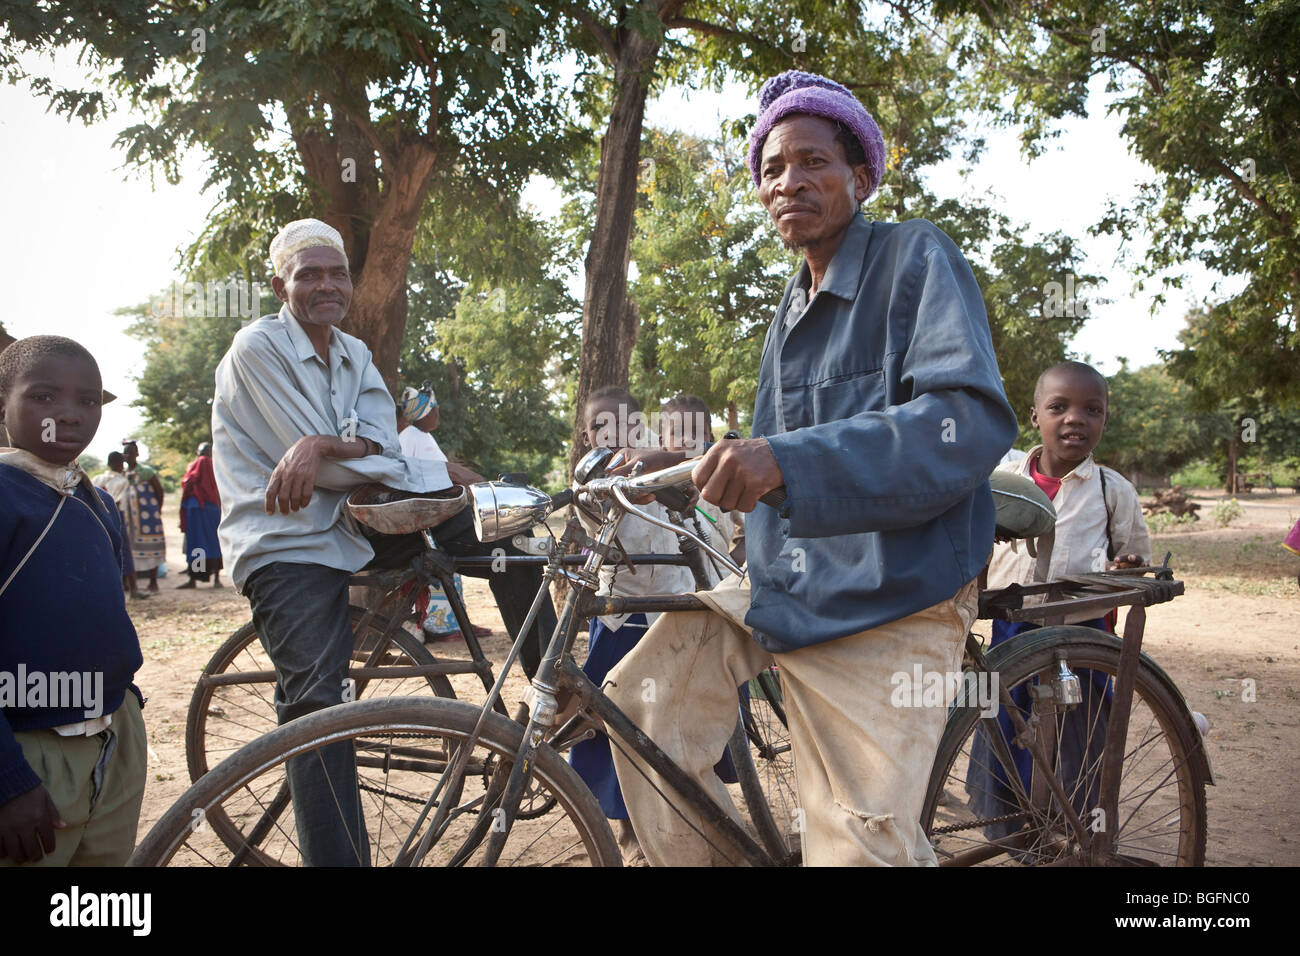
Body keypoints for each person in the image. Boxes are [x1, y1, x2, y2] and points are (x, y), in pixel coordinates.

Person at [600, 71, 1018, 866]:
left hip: (900, 589)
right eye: (772, 168)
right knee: (640, 706)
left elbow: (965, 421)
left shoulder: (915, 257)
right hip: (792, 581)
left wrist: (781, 459)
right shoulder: (787, 310)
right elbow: (773, 458)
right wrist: (696, 462)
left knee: (858, 846)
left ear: (860, 178)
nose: (789, 181)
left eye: (813, 162)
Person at [211, 218, 557, 865]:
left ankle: (551, 693)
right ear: (278, 284)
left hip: (355, 524)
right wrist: (342, 452)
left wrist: (324, 446)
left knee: (508, 527)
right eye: (308, 274)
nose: (326, 285)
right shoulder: (256, 349)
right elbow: (356, 464)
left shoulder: (355, 354)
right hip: (288, 543)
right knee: (317, 710)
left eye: (336, 272)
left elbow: (388, 455)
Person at [971, 361, 1150, 839]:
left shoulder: (1113, 490)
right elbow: (979, 549)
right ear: (1035, 417)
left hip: (1084, 634)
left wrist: (1127, 568)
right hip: (1013, 629)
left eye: (1091, 410)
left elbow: (1135, 557)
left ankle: (1075, 827)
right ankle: (1015, 831)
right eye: (1059, 407)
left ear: (1104, 421)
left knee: (1077, 741)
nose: (1075, 418)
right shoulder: (1004, 481)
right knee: (1008, 733)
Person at [0, 335, 147, 865]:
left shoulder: (96, 497)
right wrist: (9, 782)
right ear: (2, 402)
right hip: (29, 751)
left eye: (87, 401)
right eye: (43, 397)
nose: (68, 415)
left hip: (114, 737)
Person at [394, 382, 490, 640]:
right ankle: (441, 627)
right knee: (444, 569)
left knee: (448, 572)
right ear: (424, 412)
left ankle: (452, 624)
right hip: (429, 518)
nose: (438, 414)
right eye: (434, 409)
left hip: (430, 516)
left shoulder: (415, 437)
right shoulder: (415, 437)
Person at [658, 393, 743, 564]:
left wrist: (733, 566)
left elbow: (748, 529)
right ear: (662, 443)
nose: (688, 440)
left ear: (710, 440)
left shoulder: (724, 479)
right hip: (673, 583)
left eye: (696, 432)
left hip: (722, 580)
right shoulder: (654, 488)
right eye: (678, 432)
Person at [92, 451, 144, 599]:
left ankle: (110, 589)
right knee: (124, 551)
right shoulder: (123, 481)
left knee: (104, 550)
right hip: (116, 515)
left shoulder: (97, 479)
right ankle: (133, 589)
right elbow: (122, 503)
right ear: (120, 464)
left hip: (99, 516)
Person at [121, 438, 166, 591]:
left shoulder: (146, 471)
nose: (128, 455)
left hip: (147, 517)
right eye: (125, 453)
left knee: (151, 547)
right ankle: (126, 582)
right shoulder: (121, 473)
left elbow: (159, 491)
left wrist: (156, 510)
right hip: (128, 518)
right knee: (127, 547)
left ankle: (153, 581)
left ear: (137, 453)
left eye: (131, 452)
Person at [177, 442, 223, 588]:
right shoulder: (218, 464)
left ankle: (194, 579)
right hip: (212, 508)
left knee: (198, 543)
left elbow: (189, 482)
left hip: (198, 508)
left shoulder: (200, 463)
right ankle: (216, 578)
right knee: (214, 542)